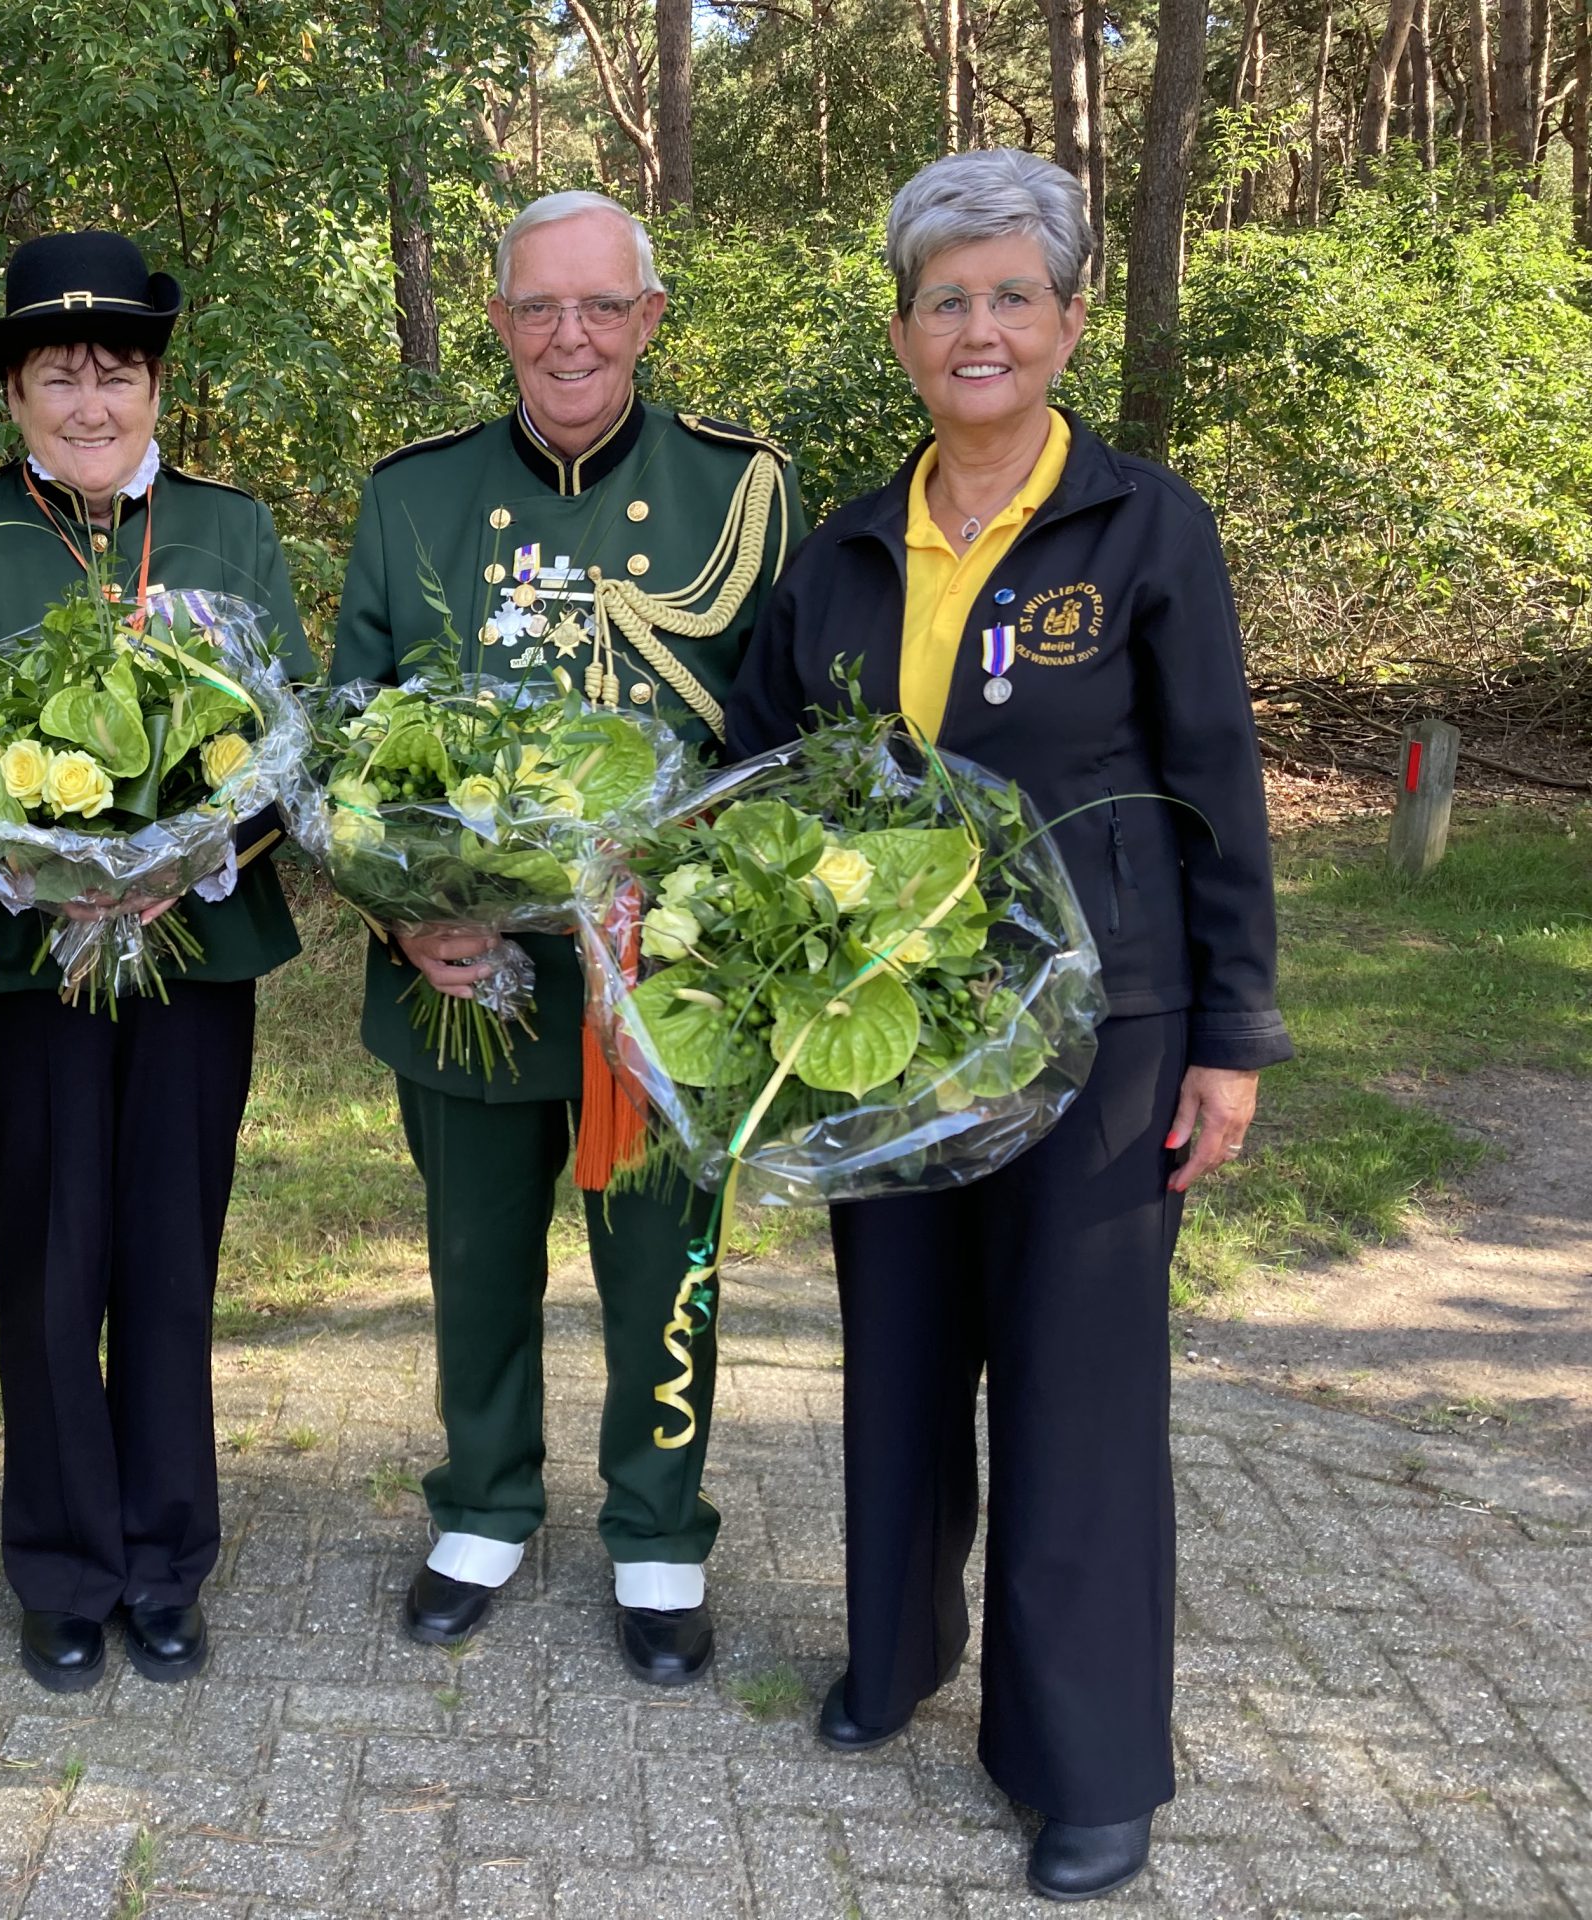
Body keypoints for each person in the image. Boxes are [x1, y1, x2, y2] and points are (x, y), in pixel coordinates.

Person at [724, 149, 1292, 1902]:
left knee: (1077, 1386)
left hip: (1104, 1037)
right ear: (903, 333)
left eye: (1011, 297)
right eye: (946, 298)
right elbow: (748, 770)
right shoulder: (834, 551)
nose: (978, 327)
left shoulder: (1145, 527)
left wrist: (1230, 1038)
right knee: (899, 1352)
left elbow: (1216, 789)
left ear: (1063, 322)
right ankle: (897, 1657)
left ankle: (1087, 1761)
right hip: (879, 1028)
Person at [331, 190, 805, 1686]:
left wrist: (717, 920)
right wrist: (403, 916)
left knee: (664, 1270)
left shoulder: (743, 490)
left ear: (652, 318)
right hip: (471, 978)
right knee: (475, 1263)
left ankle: (659, 1533)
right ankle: (482, 1507)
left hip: (667, 985)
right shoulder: (412, 497)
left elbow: (786, 740)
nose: (571, 335)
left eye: (602, 305)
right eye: (539, 308)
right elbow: (345, 732)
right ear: (500, 324)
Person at [0, 231, 315, 1693]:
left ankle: (167, 1554)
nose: (93, 401)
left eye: (120, 371)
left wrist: (174, 863)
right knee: (49, 1262)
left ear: (157, 385)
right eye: (60, 374)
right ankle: (64, 1565)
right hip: (21, 980)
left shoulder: (230, 527)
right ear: (11, 393)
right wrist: (43, 871)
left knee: (167, 1259)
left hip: (191, 957)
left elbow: (285, 740)